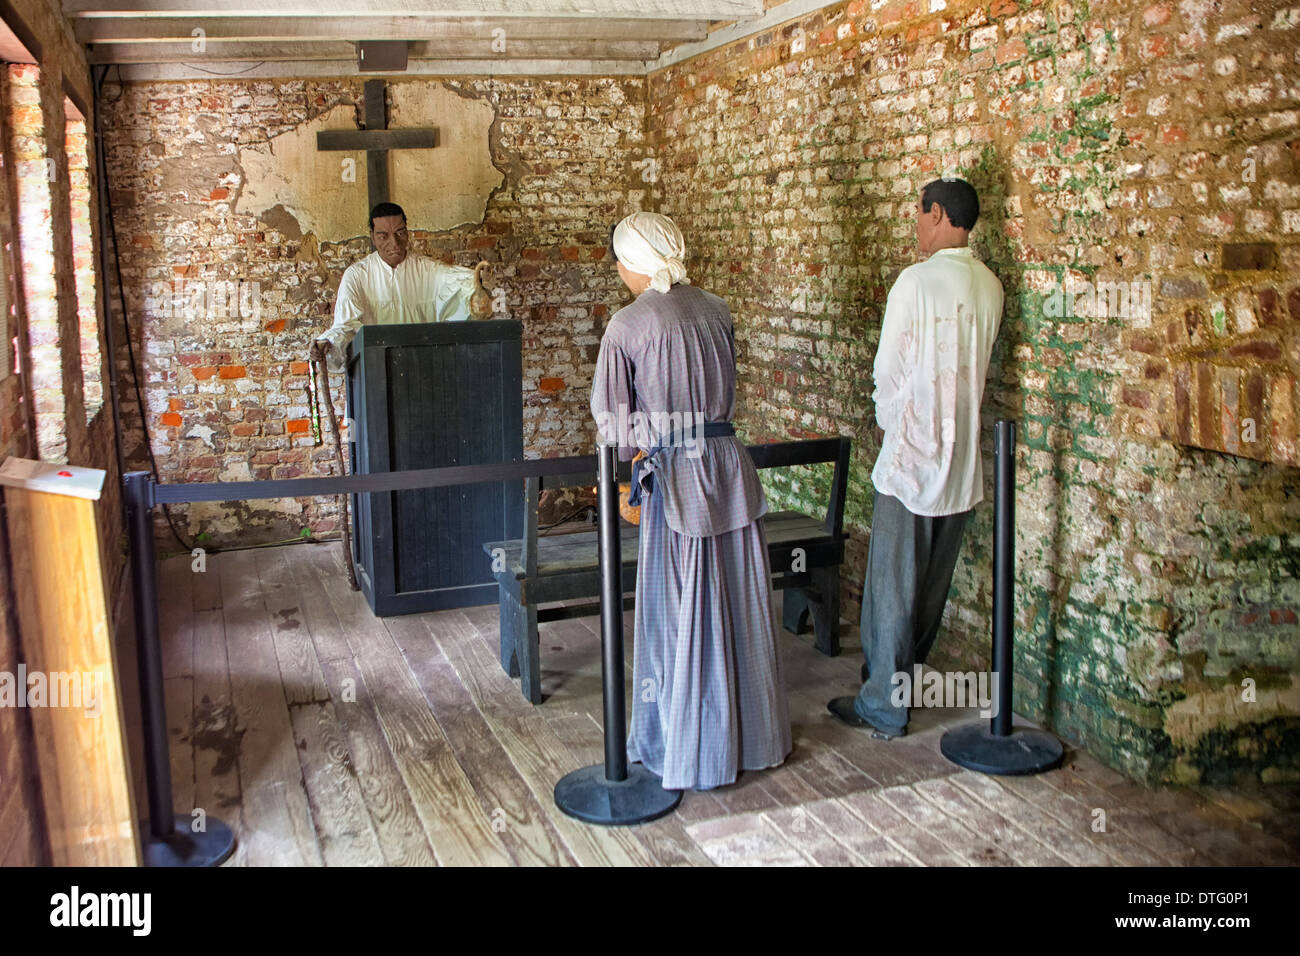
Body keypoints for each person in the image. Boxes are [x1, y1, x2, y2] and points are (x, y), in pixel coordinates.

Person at [591, 211, 792, 791]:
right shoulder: (717, 309)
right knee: (741, 605)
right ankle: (752, 740)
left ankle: (691, 749)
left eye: (620, 258)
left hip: (677, 476)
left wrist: (627, 469)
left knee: (681, 612)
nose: (619, 268)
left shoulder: (628, 326)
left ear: (636, 260)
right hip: (728, 466)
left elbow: (613, 422)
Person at [828, 178, 1005, 739]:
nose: (917, 227)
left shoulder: (916, 282)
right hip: (963, 465)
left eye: (920, 215)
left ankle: (882, 702)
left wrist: (890, 428)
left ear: (938, 214)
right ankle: (899, 680)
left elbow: (888, 372)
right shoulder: (991, 286)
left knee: (891, 587)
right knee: (930, 588)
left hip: (912, 457)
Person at [310, 201, 492, 369]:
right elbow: (346, 327)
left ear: (407, 232)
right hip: (376, 374)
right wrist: (328, 343)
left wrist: (478, 286)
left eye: (400, 233)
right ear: (373, 237)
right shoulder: (357, 276)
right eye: (383, 236)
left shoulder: (429, 271)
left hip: (425, 367)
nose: (394, 243)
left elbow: (465, 286)